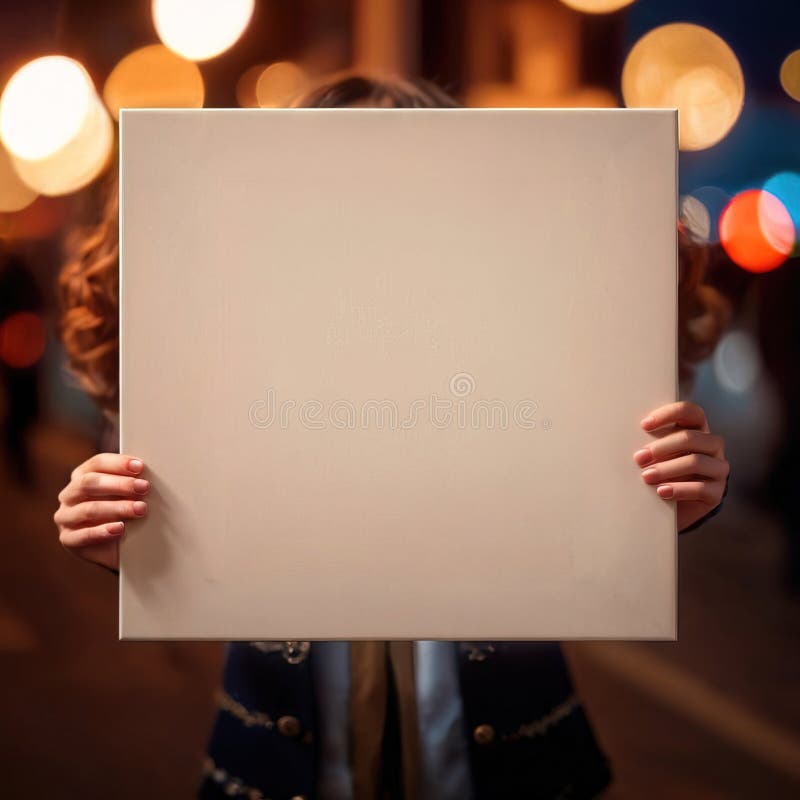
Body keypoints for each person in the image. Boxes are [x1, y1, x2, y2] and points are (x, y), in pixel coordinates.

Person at [54, 72, 731, 800]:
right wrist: (126, 531)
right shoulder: (233, 366)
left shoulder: (518, 367)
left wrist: (673, 492)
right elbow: (181, 525)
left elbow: (597, 505)